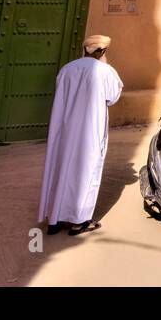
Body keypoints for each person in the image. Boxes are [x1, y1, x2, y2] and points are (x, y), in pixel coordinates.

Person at [37, 34, 123, 236]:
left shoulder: (67, 69)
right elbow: (112, 97)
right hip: (89, 130)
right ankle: (79, 221)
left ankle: (54, 220)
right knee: (87, 171)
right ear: (102, 52)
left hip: (64, 131)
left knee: (60, 169)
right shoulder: (105, 71)